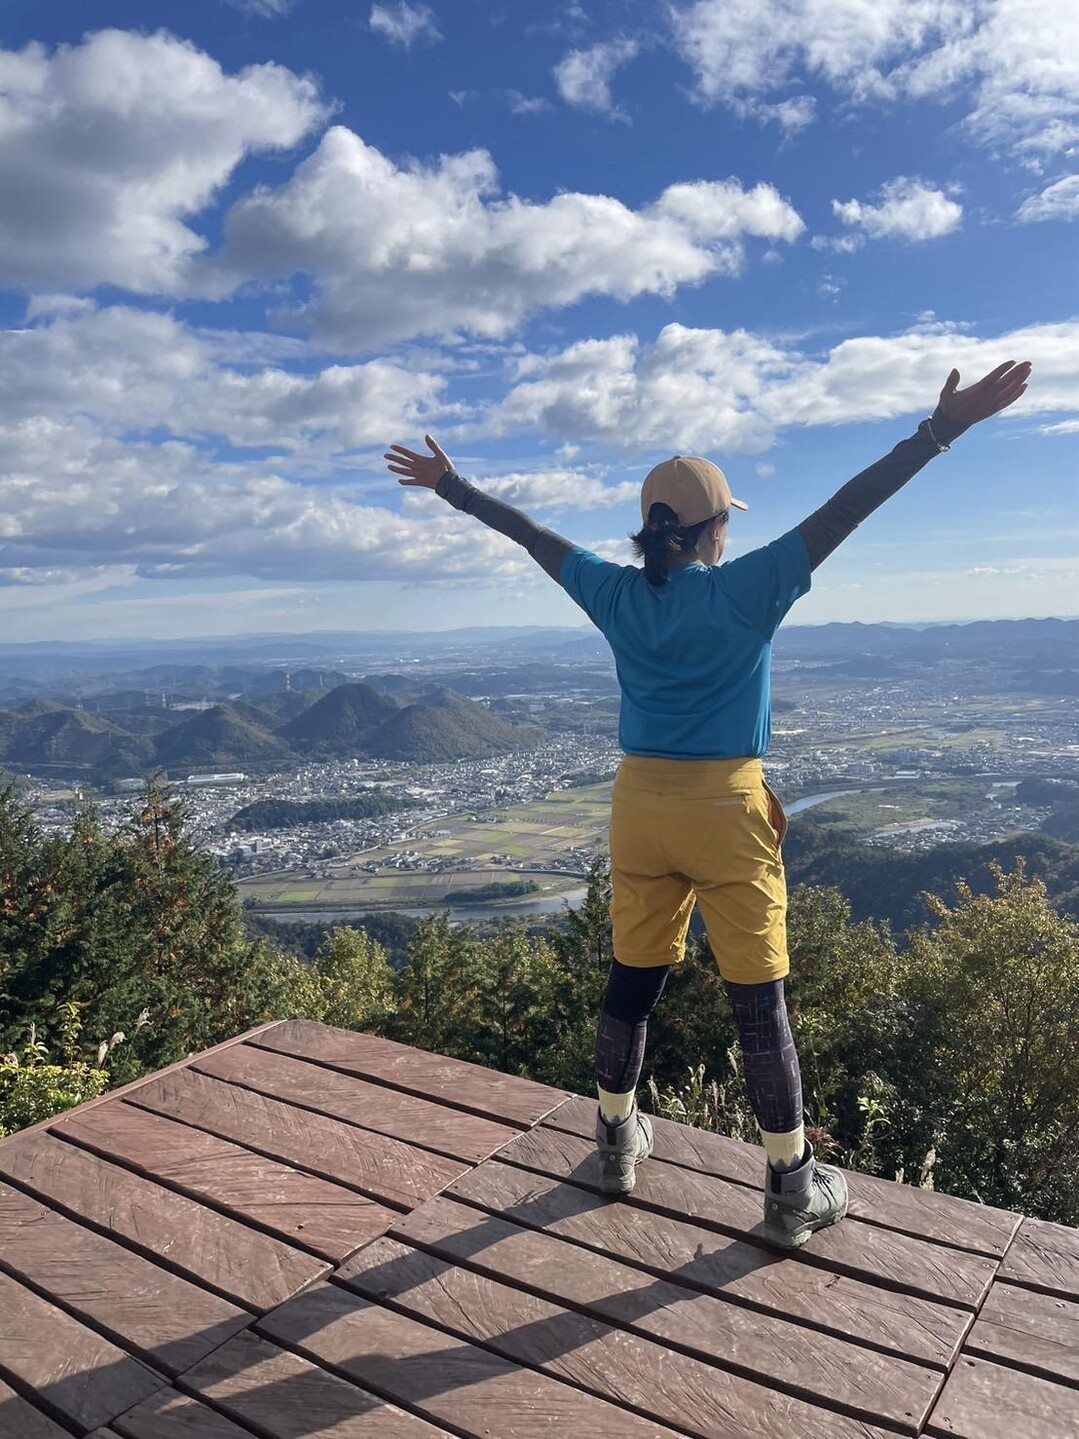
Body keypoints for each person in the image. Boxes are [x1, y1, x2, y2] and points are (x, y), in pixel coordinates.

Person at [385, 358, 1031, 1249]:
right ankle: (790, 1183)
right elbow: (847, 507)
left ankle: (614, 1143)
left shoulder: (614, 592)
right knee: (756, 999)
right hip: (726, 808)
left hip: (637, 801)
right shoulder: (746, 588)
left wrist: (452, 485)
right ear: (715, 528)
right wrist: (936, 431)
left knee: (631, 976)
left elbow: (530, 536)